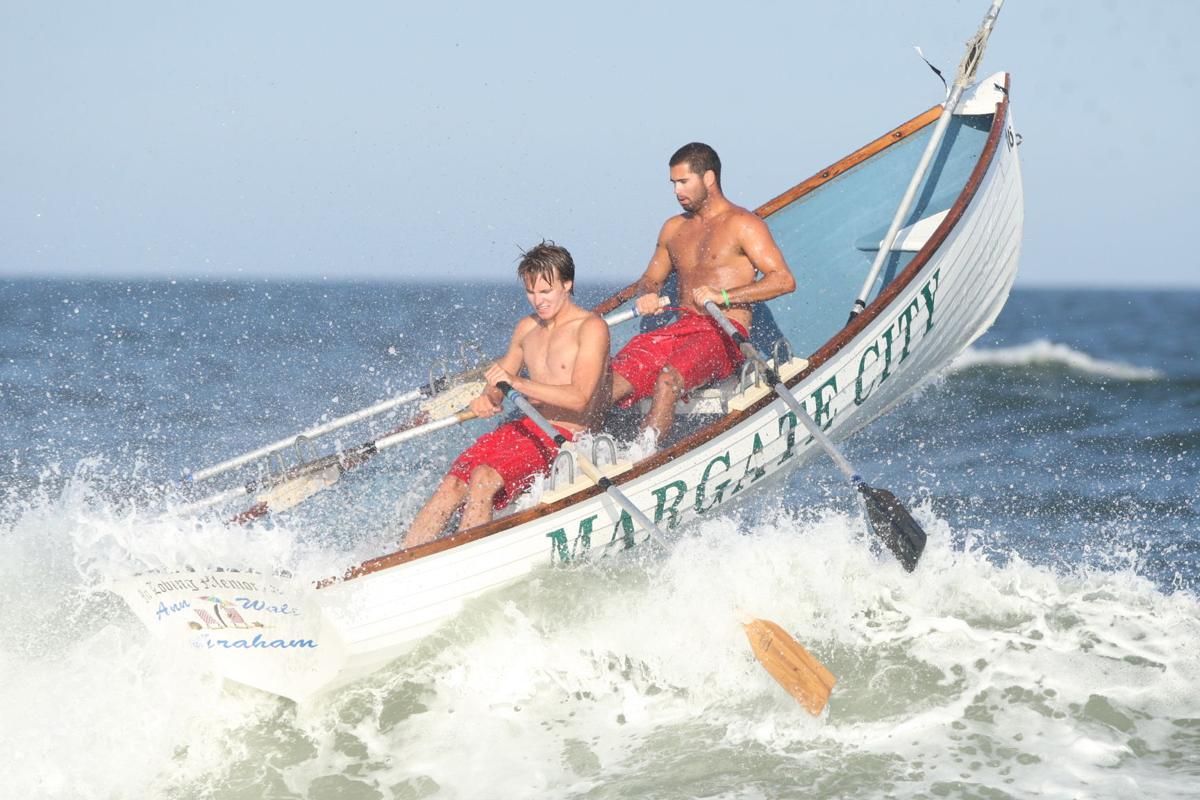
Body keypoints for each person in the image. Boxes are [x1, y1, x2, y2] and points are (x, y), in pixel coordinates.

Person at [403, 242, 611, 547]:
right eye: (531, 292)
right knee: (451, 485)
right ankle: (402, 561)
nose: (537, 301)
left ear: (568, 284)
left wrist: (517, 384)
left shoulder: (591, 328)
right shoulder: (526, 328)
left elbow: (579, 397)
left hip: (564, 435)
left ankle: (468, 560)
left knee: (483, 478)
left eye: (545, 292)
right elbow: (501, 381)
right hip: (524, 428)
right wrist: (489, 397)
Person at [611, 142, 796, 445]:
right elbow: (650, 279)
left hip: (723, 334)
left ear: (708, 178)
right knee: (609, 382)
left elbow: (783, 280)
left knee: (668, 380)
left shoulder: (743, 224)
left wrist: (723, 296)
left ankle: (641, 457)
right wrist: (647, 294)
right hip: (678, 330)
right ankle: (584, 456)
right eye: (673, 183)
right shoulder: (673, 229)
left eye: (683, 182)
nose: (676, 191)